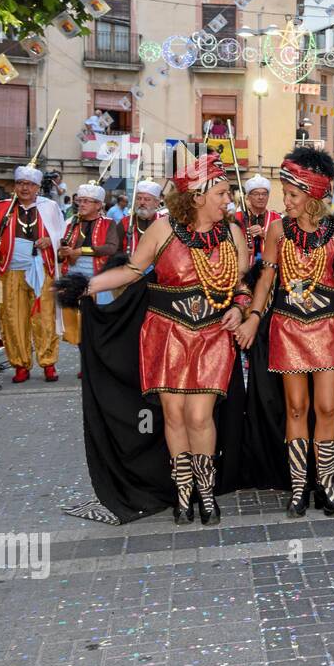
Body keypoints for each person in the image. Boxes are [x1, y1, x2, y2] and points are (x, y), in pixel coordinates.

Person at [78, 152, 253, 525]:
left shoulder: (233, 233)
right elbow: (130, 269)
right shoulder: (163, 228)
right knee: (173, 416)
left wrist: (239, 308)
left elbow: (241, 285)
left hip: (212, 334)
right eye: (221, 193)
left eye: (227, 193)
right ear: (197, 195)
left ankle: (206, 493)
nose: (228, 200)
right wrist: (85, 286)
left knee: (200, 415)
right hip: (166, 332)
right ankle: (184, 494)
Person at [236, 147, 334, 517]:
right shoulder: (278, 230)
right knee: (296, 408)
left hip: (329, 326)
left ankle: (326, 487)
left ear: (314, 194)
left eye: (293, 195)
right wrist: (253, 316)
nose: (287, 200)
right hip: (288, 326)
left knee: (326, 407)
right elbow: (265, 278)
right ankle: (300, 487)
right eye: (286, 194)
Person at [0, 165, 66, 383]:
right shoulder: (3, 208)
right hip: (10, 270)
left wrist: (51, 240)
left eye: (29, 184)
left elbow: (63, 234)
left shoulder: (50, 207)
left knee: (45, 317)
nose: (24, 188)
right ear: (15, 186)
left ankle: (48, 363)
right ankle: (20, 364)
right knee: (13, 317)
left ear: (38, 187)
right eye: (20, 183)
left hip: (43, 268)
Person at [57, 184, 122, 347]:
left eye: (87, 201)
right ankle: (85, 361)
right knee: (77, 323)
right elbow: (61, 248)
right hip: (73, 276)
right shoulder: (72, 222)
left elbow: (111, 247)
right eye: (80, 201)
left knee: (96, 321)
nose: (82, 204)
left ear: (98, 205)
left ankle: (95, 362)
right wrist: (63, 252)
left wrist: (82, 251)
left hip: (97, 278)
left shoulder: (108, 223)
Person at [119, 181, 163, 255]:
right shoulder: (126, 222)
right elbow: (115, 250)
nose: (142, 202)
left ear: (156, 203)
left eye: (147, 199)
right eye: (139, 198)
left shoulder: (166, 222)